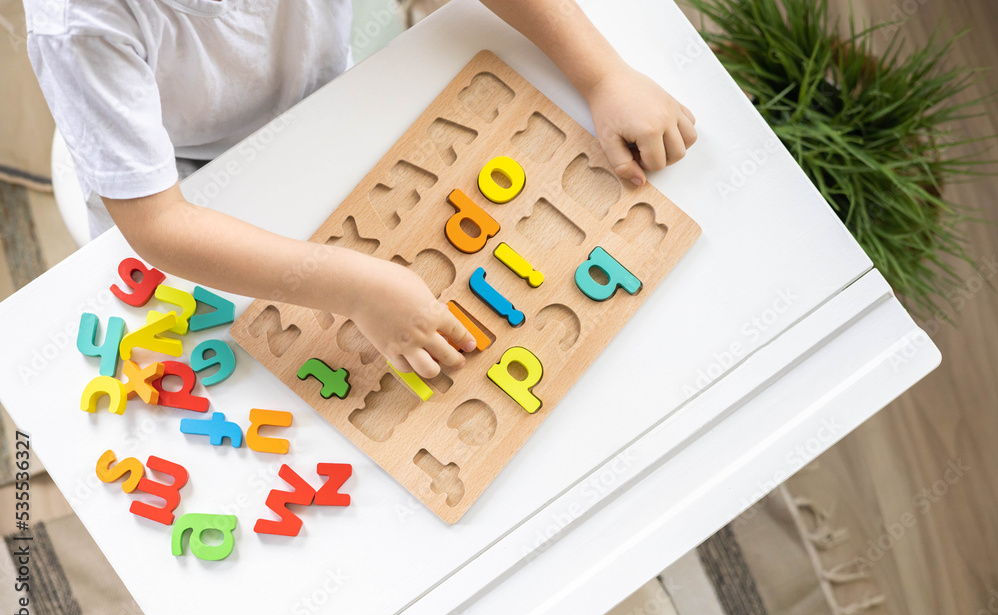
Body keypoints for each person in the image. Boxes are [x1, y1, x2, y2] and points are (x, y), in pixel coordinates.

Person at [25, 0, 697, 378]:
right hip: (192, 189)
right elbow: (159, 226)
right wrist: (351, 287)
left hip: (332, 118)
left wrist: (602, 74)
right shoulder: (78, 23)